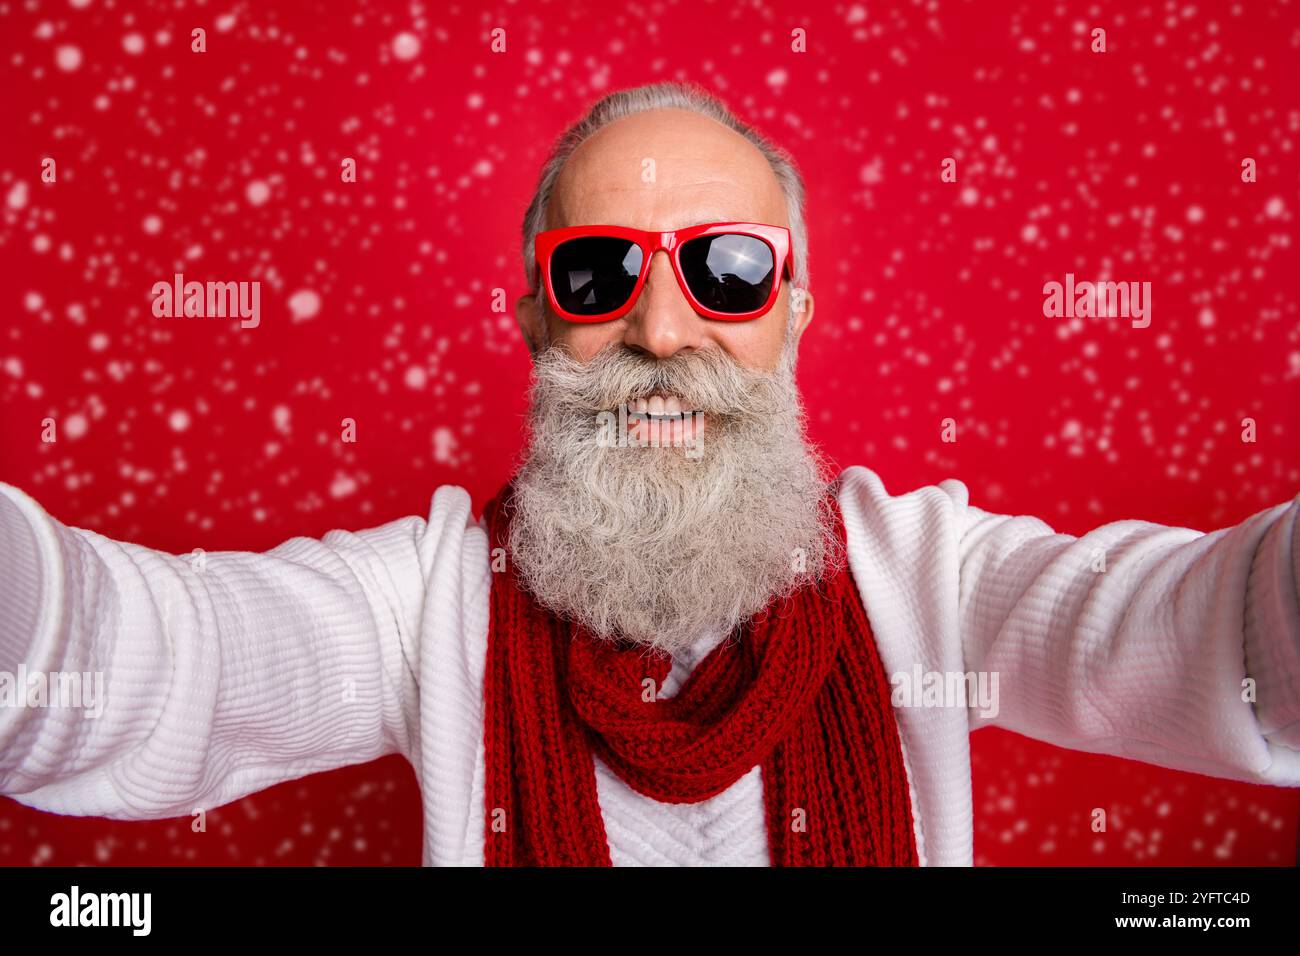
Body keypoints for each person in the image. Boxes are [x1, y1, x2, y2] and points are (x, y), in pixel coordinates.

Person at [1, 81, 1297, 867]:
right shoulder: (434, 605)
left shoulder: (930, 589)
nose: (664, 332)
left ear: (790, 309)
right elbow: (156, 668)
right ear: (535, 317)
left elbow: (1216, 642)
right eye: (599, 272)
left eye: (726, 270)